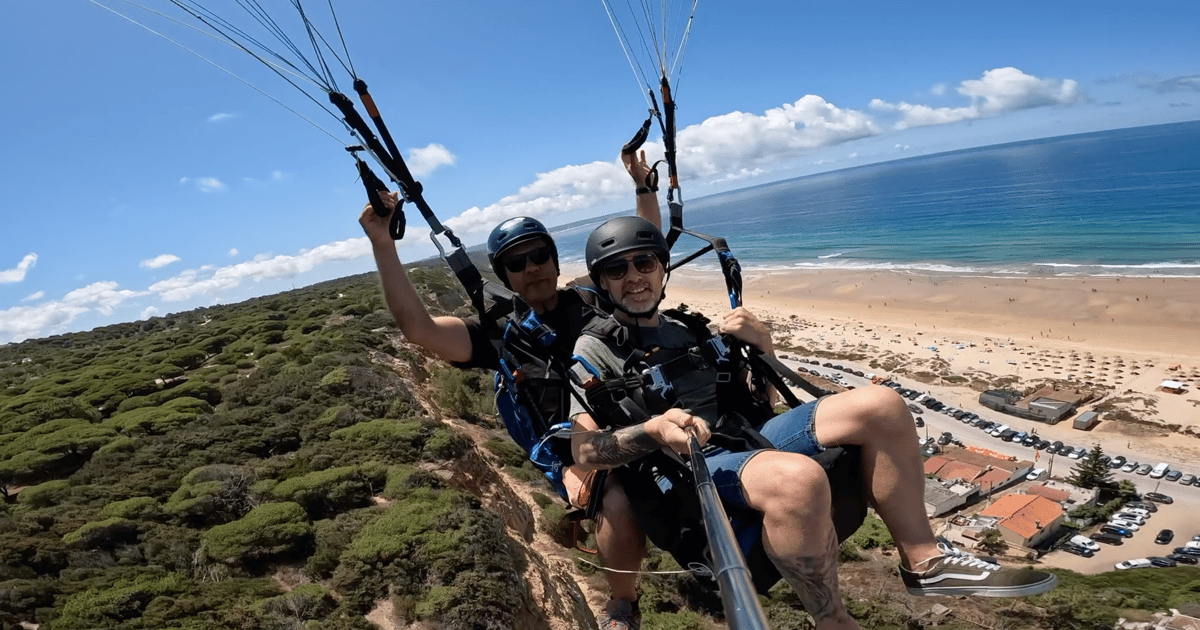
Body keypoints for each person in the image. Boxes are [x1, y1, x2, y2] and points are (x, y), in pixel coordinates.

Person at [567, 217, 1057, 629]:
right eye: (617, 269)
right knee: (798, 480)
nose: (634, 277)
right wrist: (653, 430)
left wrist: (764, 348)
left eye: (644, 263)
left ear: (662, 269)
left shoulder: (688, 328)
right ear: (602, 282)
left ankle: (925, 562)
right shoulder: (593, 350)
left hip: (745, 435)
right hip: (688, 467)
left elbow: (759, 400)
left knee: (883, 405)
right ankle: (832, 618)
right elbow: (583, 450)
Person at [357, 150, 660, 630]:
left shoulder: (591, 298)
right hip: (574, 451)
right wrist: (383, 244)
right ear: (505, 276)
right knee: (616, 500)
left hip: (632, 417)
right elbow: (418, 329)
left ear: (555, 261)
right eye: (518, 263)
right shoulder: (498, 336)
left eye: (540, 256)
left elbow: (638, 253)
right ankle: (623, 605)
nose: (532, 268)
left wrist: (643, 187)